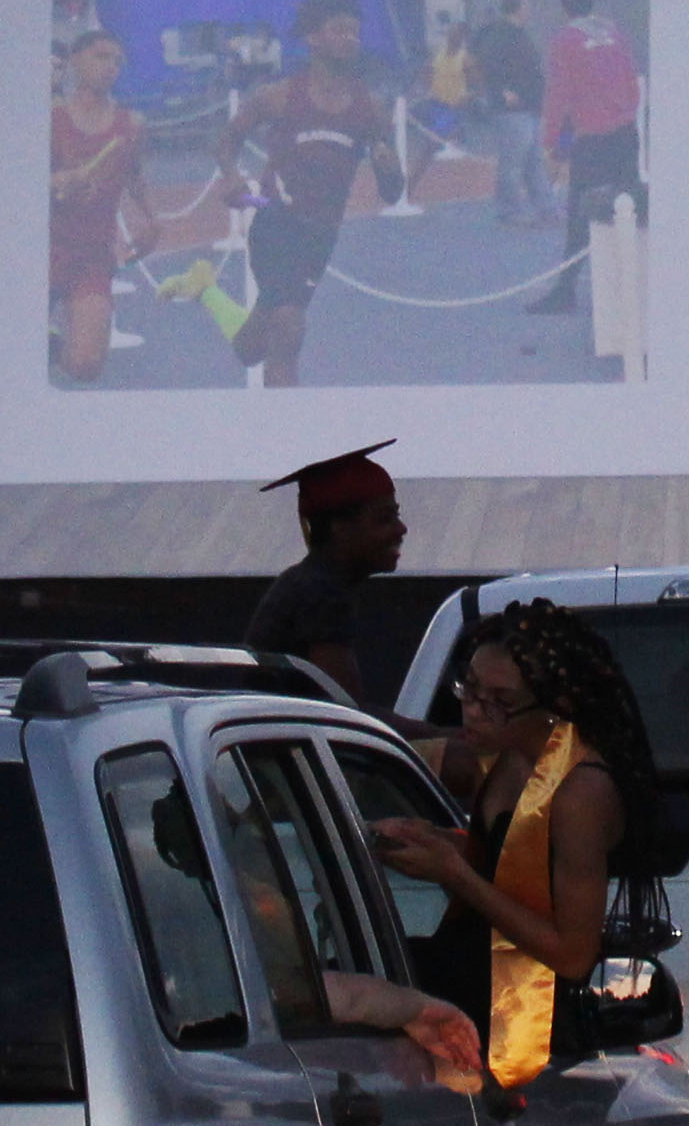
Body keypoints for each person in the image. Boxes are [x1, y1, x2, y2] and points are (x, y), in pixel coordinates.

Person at [369, 600, 647, 1087]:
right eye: (469, 690)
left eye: (498, 701)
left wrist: (455, 874)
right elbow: (508, 861)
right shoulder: (500, 757)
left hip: (525, 1025)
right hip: (463, 979)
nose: (474, 710)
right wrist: (435, 843)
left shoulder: (581, 790)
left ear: (553, 708)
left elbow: (573, 954)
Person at [222, 0, 392, 387]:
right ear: (313, 38)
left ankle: (211, 297)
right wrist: (231, 175)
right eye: (339, 30)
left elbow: (394, 191)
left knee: (254, 346)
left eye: (355, 31)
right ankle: (289, 435)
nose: (349, 38)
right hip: (275, 221)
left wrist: (388, 171)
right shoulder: (279, 96)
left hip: (320, 236)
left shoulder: (370, 108)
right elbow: (227, 139)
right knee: (289, 330)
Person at [243, 443, 404, 704]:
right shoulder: (322, 593)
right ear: (339, 527)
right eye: (384, 519)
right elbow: (348, 715)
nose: (401, 529)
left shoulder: (305, 581)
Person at [532, 0, 641, 314]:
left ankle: (565, 292)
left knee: (581, 216)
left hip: (593, 140)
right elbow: (631, 81)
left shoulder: (565, 41)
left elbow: (559, 93)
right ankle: (631, 289)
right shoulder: (614, 33)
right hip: (624, 134)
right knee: (628, 209)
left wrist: (550, 141)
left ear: (564, 9)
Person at [47, 30, 148, 384]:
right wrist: (53, 183)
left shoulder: (130, 125)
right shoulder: (49, 120)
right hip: (41, 254)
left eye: (117, 61)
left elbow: (134, 176)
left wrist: (150, 222)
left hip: (91, 257)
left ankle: (47, 346)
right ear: (76, 59)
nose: (111, 67)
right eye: (101, 57)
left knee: (87, 365)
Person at [464, 0, 550, 226]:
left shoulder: (516, 33)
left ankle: (545, 207)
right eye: (526, 5)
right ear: (518, 7)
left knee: (533, 160)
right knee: (513, 163)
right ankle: (510, 210)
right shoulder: (501, 33)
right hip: (512, 109)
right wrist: (503, 90)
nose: (529, 9)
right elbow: (489, 62)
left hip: (527, 106)